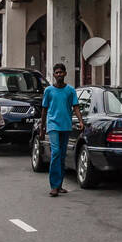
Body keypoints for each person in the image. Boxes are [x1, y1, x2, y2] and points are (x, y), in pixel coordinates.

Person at [40, 63, 82, 196]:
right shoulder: (48, 91)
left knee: (62, 155)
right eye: (56, 72)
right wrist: (42, 127)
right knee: (56, 152)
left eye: (61, 72)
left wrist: (81, 121)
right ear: (53, 74)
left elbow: (75, 107)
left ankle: (59, 185)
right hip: (53, 125)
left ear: (65, 73)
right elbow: (44, 109)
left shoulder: (70, 90)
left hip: (66, 125)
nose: (59, 75)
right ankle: (53, 186)